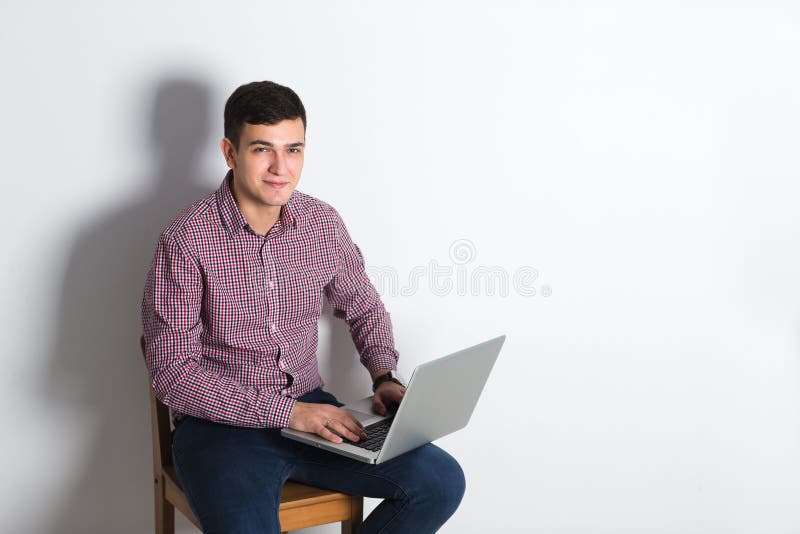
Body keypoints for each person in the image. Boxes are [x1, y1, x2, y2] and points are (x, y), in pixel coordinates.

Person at [141, 80, 465, 533]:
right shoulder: (185, 241)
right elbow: (173, 375)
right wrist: (288, 413)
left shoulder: (320, 222)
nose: (281, 168)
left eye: (294, 149)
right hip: (220, 431)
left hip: (313, 414)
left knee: (440, 481)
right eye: (262, 150)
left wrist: (384, 376)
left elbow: (364, 306)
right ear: (229, 153)